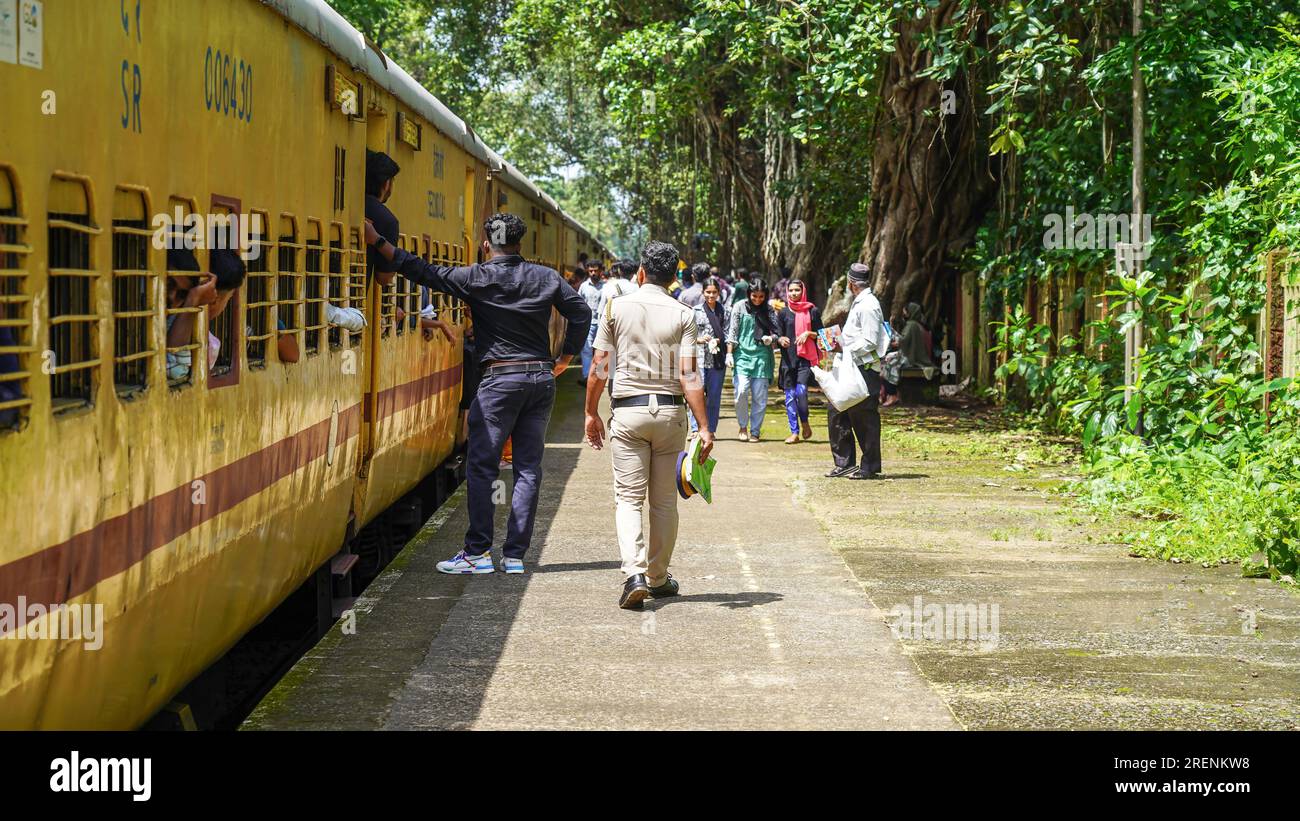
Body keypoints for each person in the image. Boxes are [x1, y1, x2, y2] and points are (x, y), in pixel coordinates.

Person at [365, 212, 592, 574]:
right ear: (520, 243)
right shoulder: (545, 277)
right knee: (528, 468)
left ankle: (478, 553)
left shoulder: (477, 277)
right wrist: (564, 357)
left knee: (483, 466)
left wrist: (378, 240)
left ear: (487, 244)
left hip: (500, 381)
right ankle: (515, 556)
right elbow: (581, 311)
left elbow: (422, 270)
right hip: (540, 379)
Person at [583, 240, 714, 610]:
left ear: (641, 272)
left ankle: (634, 574)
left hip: (628, 413)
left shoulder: (615, 307)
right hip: (671, 415)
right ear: (674, 278)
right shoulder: (683, 314)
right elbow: (689, 375)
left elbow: (600, 366)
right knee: (663, 502)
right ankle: (658, 578)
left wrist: (591, 412)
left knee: (628, 498)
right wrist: (704, 427)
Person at [825, 262, 889, 479]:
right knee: (837, 411)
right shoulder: (859, 302)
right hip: (849, 366)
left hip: (864, 368)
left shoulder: (868, 305)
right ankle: (845, 462)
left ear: (851, 284)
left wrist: (844, 347)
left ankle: (869, 466)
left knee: (864, 417)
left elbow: (870, 341)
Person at [726, 278, 779, 442]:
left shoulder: (769, 309)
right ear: (749, 294)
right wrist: (729, 353)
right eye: (754, 296)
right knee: (741, 391)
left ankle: (755, 431)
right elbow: (733, 332)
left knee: (759, 396)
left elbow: (777, 331)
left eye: (761, 296)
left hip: (762, 356)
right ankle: (743, 426)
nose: (757, 300)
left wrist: (772, 338)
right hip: (742, 354)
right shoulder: (740, 307)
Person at [776, 278, 821, 443]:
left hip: (805, 360)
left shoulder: (812, 311)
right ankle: (794, 432)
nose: (794, 293)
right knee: (789, 396)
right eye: (791, 290)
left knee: (801, 392)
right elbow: (778, 334)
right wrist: (781, 339)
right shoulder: (783, 312)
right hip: (788, 360)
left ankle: (805, 421)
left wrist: (808, 334)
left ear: (803, 292)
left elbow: (822, 335)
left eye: (797, 290)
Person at [690, 276, 729, 437]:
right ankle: (694, 428)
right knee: (696, 394)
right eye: (708, 292)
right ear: (702, 292)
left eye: (714, 293)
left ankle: (711, 429)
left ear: (719, 293)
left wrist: (720, 340)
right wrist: (698, 340)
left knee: (714, 397)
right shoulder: (695, 311)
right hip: (699, 359)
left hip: (717, 361)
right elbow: (688, 334)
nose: (711, 296)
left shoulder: (725, 311)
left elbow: (729, 333)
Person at [880, 301, 934, 406]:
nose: (904, 312)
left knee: (888, 365)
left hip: (910, 357)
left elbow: (903, 341)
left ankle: (892, 394)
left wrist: (896, 341)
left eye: (906, 310)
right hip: (907, 355)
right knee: (886, 361)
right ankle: (887, 394)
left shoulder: (912, 325)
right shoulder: (913, 324)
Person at [364, 150, 401, 287]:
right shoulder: (388, 221)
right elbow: (383, 278)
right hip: (353, 305)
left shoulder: (351, 203)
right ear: (386, 184)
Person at [577, 259, 605, 385]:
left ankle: (600, 376)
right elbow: (579, 303)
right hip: (588, 323)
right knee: (586, 349)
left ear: (601, 271)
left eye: (595, 271)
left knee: (601, 351)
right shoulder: (583, 287)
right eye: (591, 271)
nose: (593, 273)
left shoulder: (606, 287)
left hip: (602, 324)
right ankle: (587, 376)